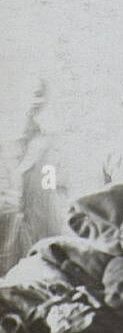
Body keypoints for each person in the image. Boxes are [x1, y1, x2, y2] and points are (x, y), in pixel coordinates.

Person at [0, 77, 67, 275]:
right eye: (33, 95)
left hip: (39, 223)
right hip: (8, 225)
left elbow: (51, 188)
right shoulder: (6, 144)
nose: (36, 103)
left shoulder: (47, 145)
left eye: (41, 96)